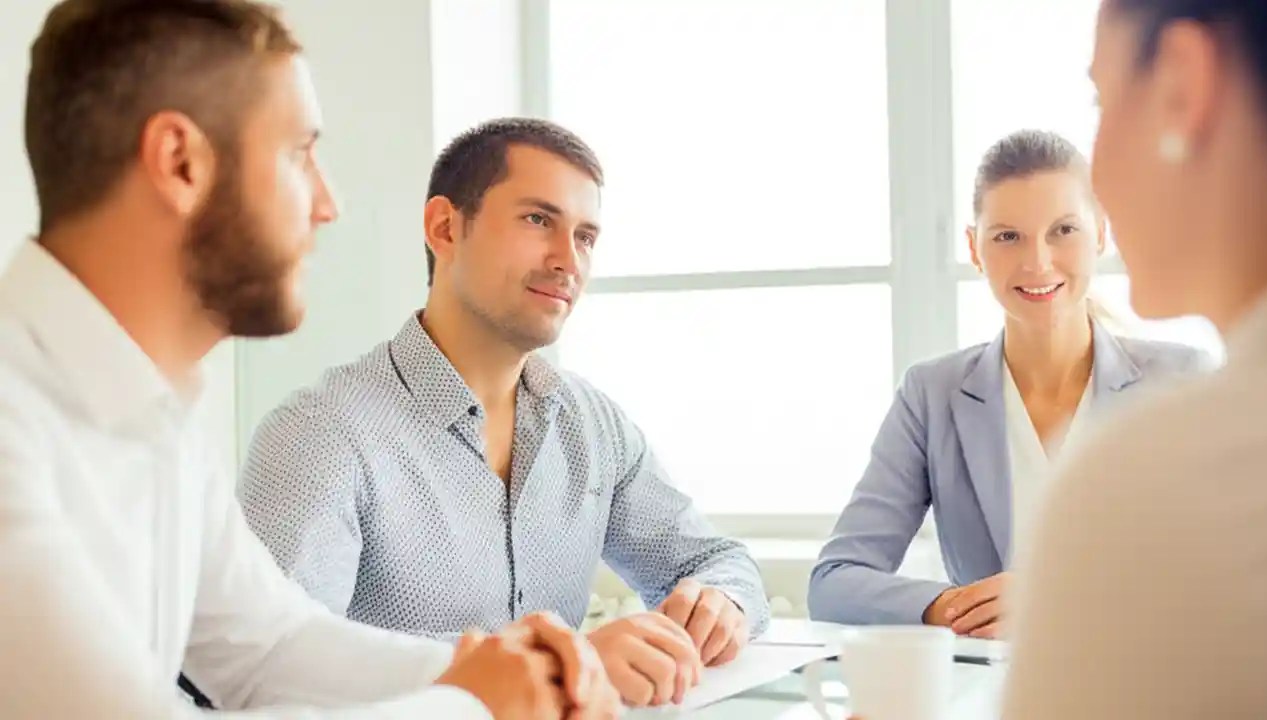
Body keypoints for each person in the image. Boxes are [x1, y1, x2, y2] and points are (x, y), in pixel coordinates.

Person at [0, 2, 620, 718]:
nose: (328, 204)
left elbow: (268, 646)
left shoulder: (154, 415)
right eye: (298, 154)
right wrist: (473, 703)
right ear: (181, 162)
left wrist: (500, 669)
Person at [237, 117, 770, 707]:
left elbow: (719, 562)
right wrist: (564, 665)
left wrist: (723, 602)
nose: (568, 261)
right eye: (538, 220)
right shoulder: (319, 434)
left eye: (586, 236)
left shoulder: (594, 427)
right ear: (444, 228)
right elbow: (278, 675)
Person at [808, 129, 1209, 638]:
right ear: (975, 249)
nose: (1037, 262)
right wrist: (961, 606)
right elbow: (834, 582)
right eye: (1007, 236)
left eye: (1063, 230)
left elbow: (1240, 570)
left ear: (1101, 234)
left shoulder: (1185, 383)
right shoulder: (931, 397)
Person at [1003, 1, 1267, 717]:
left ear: (1183, 85)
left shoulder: (1153, 481)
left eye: (1102, 97)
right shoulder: (933, 390)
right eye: (1006, 236)